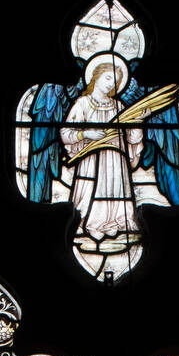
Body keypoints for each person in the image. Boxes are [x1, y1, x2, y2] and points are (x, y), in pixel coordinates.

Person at [60, 54, 144, 254]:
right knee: (91, 193)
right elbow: (65, 133)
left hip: (116, 160)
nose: (111, 84)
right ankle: (91, 223)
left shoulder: (118, 106)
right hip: (91, 159)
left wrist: (137, 122)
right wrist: (85, 133)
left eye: (115, 81)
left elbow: (132, 138)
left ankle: (117, 222)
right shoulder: (82, 104)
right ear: (95, 76)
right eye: (107, 78)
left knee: (116, 193)